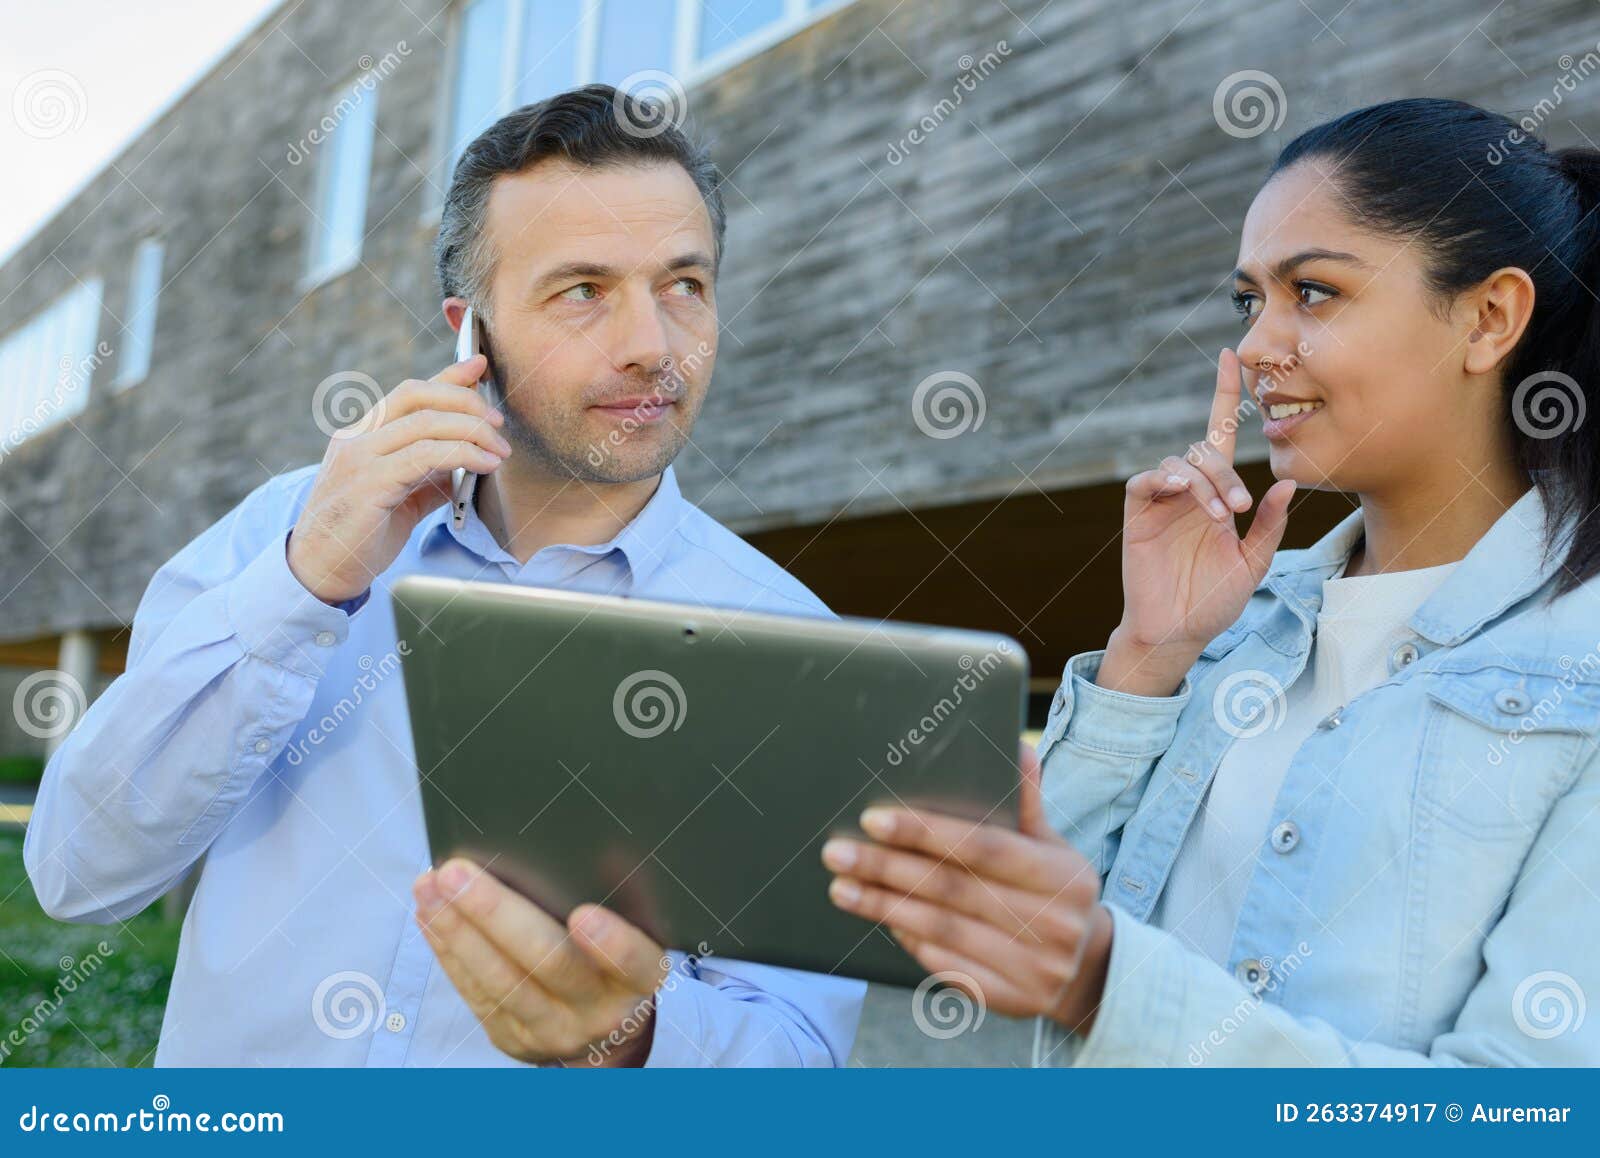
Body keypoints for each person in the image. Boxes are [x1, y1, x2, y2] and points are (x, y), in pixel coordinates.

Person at [26, 84, 864, 1067]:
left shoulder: (791, 646)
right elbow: (78, 872)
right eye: (583, 291)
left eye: (684, 284)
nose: (653, 346)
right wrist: (303, 589)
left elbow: (799, 1055)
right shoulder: (282, 534)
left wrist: (633, 1036)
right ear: (472, 333)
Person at [822, 97, 1600, 1066]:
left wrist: (1103, 984)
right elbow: (1020, 926)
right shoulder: (1237, 626)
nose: (1257, 347)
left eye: (1312, 291)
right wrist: (1148, 657)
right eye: (1248, 301)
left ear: (1488, 319)